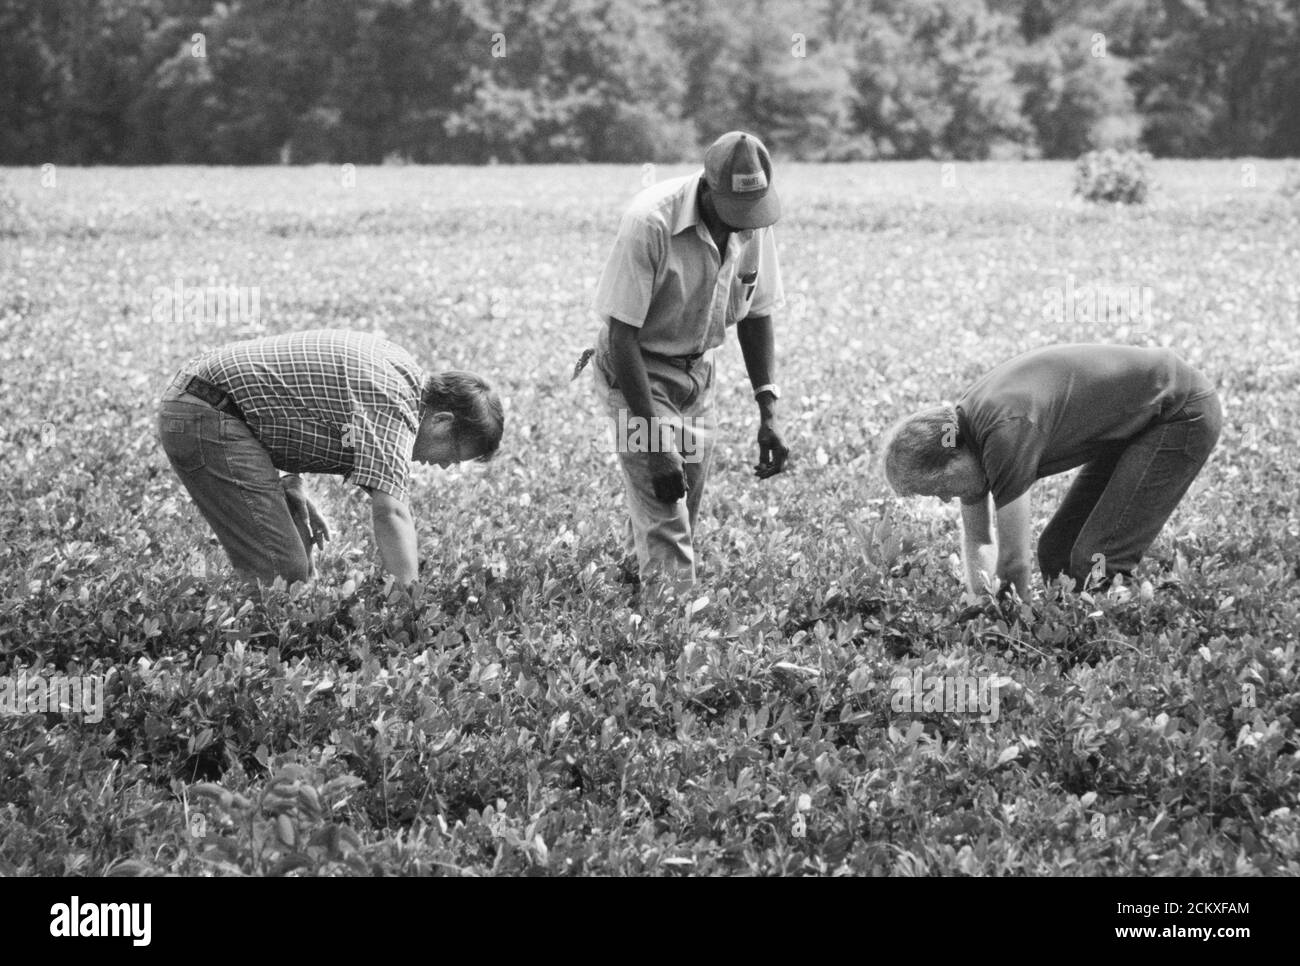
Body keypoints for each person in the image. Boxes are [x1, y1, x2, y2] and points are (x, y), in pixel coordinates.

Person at [576, 130, 791, 586]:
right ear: (708, 188)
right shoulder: (651, 222)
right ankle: (677, 638)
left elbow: (757, 312)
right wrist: (653, 440)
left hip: (697, 377)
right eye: (734, 211)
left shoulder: (753, 222)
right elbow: (622, 335)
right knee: (666, 507)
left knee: (680, 500)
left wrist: (768, 408)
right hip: (637, 372)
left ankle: (647, 586)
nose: (743, 224)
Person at [156, 328, 503, 586]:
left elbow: (296, 402)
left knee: (299, 564)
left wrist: (292, 484)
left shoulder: (399, 372)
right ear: (443, 421)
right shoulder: (395, 404)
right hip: (204, 413)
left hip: (208, 403)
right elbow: (392, 512)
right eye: (453, 455)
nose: (443, 466)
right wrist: (410, 604)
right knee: (281, 572)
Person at [882, 344, 1221, 598]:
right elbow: (979, 539)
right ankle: (1079, 629)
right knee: (1056, 552)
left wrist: (1006, 637)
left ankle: (1122, 643)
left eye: (939, 487)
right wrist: (983, 604)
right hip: (1137, 424)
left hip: (1180, 411)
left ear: (953, 458)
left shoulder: (1003, 433)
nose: (944, 499)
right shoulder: (961, 433)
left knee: (1096, 562)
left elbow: (1014, 562)